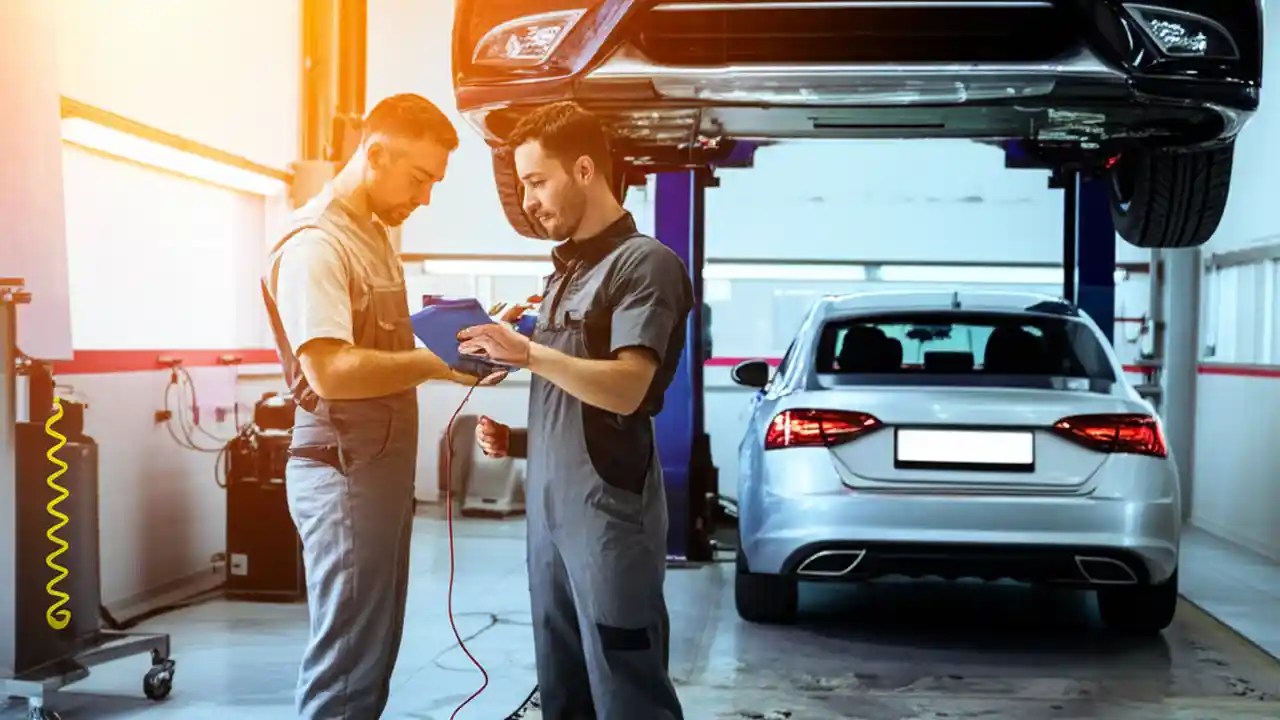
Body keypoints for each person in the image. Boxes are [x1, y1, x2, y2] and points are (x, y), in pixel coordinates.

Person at [260, 93, 503, 719]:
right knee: (345, 662)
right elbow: (332, 370)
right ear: (375, 153)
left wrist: (471, 339)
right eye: (420, 178)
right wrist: (437, 364)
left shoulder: (371, 234)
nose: (425, 198)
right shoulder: (318, 244)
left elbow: (380, 344)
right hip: (343, 470)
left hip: (378, 470)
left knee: (370, 652)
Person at [459, 101, 691, 720]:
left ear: (584, 169)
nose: (528, 202)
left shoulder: (645, 264)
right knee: (562, 684)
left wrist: (529, 352)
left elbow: (627, 391)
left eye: (537, 182)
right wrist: (520, 439)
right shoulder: (566, 273)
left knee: (626, 683)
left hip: (610, 521)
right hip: (551, 517)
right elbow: (581, 406)